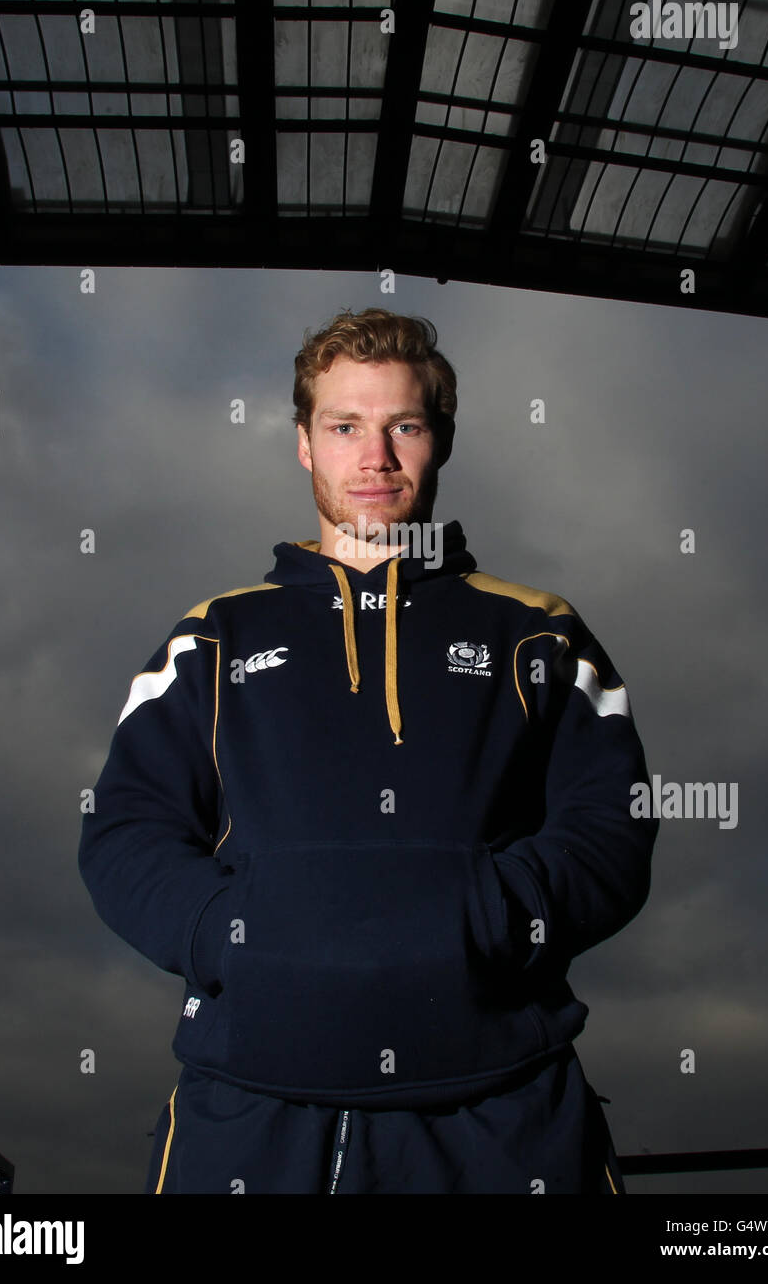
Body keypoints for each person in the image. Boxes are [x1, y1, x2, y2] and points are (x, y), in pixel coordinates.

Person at [78, 307, 658, 1194]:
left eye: (405, 427)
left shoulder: (539, 631)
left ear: (443, 441)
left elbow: (612, 828)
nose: (375, 457)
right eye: (345, 427)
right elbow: (125, 833)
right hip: (249, 1113)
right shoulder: (213, 636)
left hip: (502, 1114)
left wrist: (487, 917)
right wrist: (231, 935)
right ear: (305, 445)